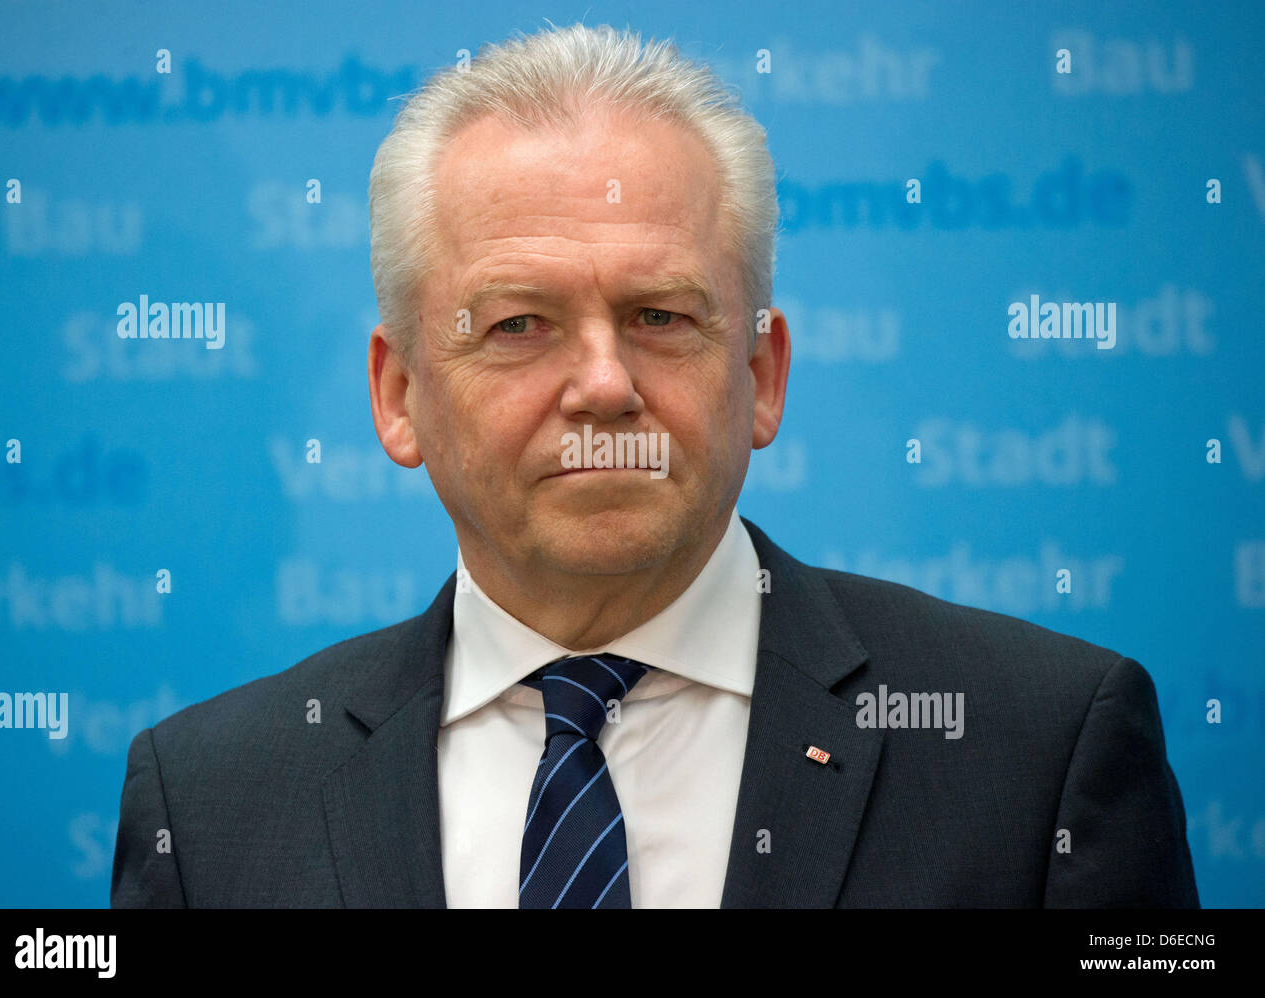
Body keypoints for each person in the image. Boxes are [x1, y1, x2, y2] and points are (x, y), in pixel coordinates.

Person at [111, 22, 1198, 908]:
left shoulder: (1039, 744)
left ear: (760, 374)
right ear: (400, 395)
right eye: (519, 324)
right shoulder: (208, 803)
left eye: (660, 316)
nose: (603, 383)